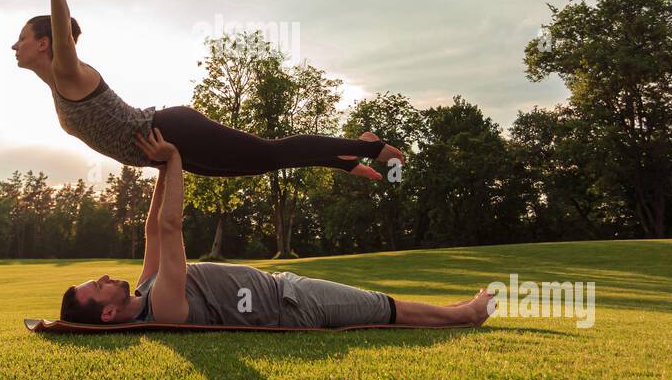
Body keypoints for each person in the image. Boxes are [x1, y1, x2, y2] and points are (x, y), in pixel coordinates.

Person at [13, 0, 405, 179]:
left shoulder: (68, 74)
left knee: (268, 152)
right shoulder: (59, 86)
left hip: (172, 130)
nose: (14, 47)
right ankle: (346, 160)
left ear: (45, 44)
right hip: (168, 153)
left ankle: (372, 147)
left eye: (22, 39)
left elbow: (65, 37)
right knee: (262, 163)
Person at [59, 130, 495, 329]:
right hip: (290, 306)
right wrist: (174, 160)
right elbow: (172, 228)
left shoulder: (147, 286)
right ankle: (466, 315)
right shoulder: (164, 306)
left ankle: (455, 309)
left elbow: (154, 231)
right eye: (95, 287)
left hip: (281, 287)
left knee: (380, 304)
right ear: (109, 313)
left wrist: (158, 169)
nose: (101, 277)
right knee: (383, 308)